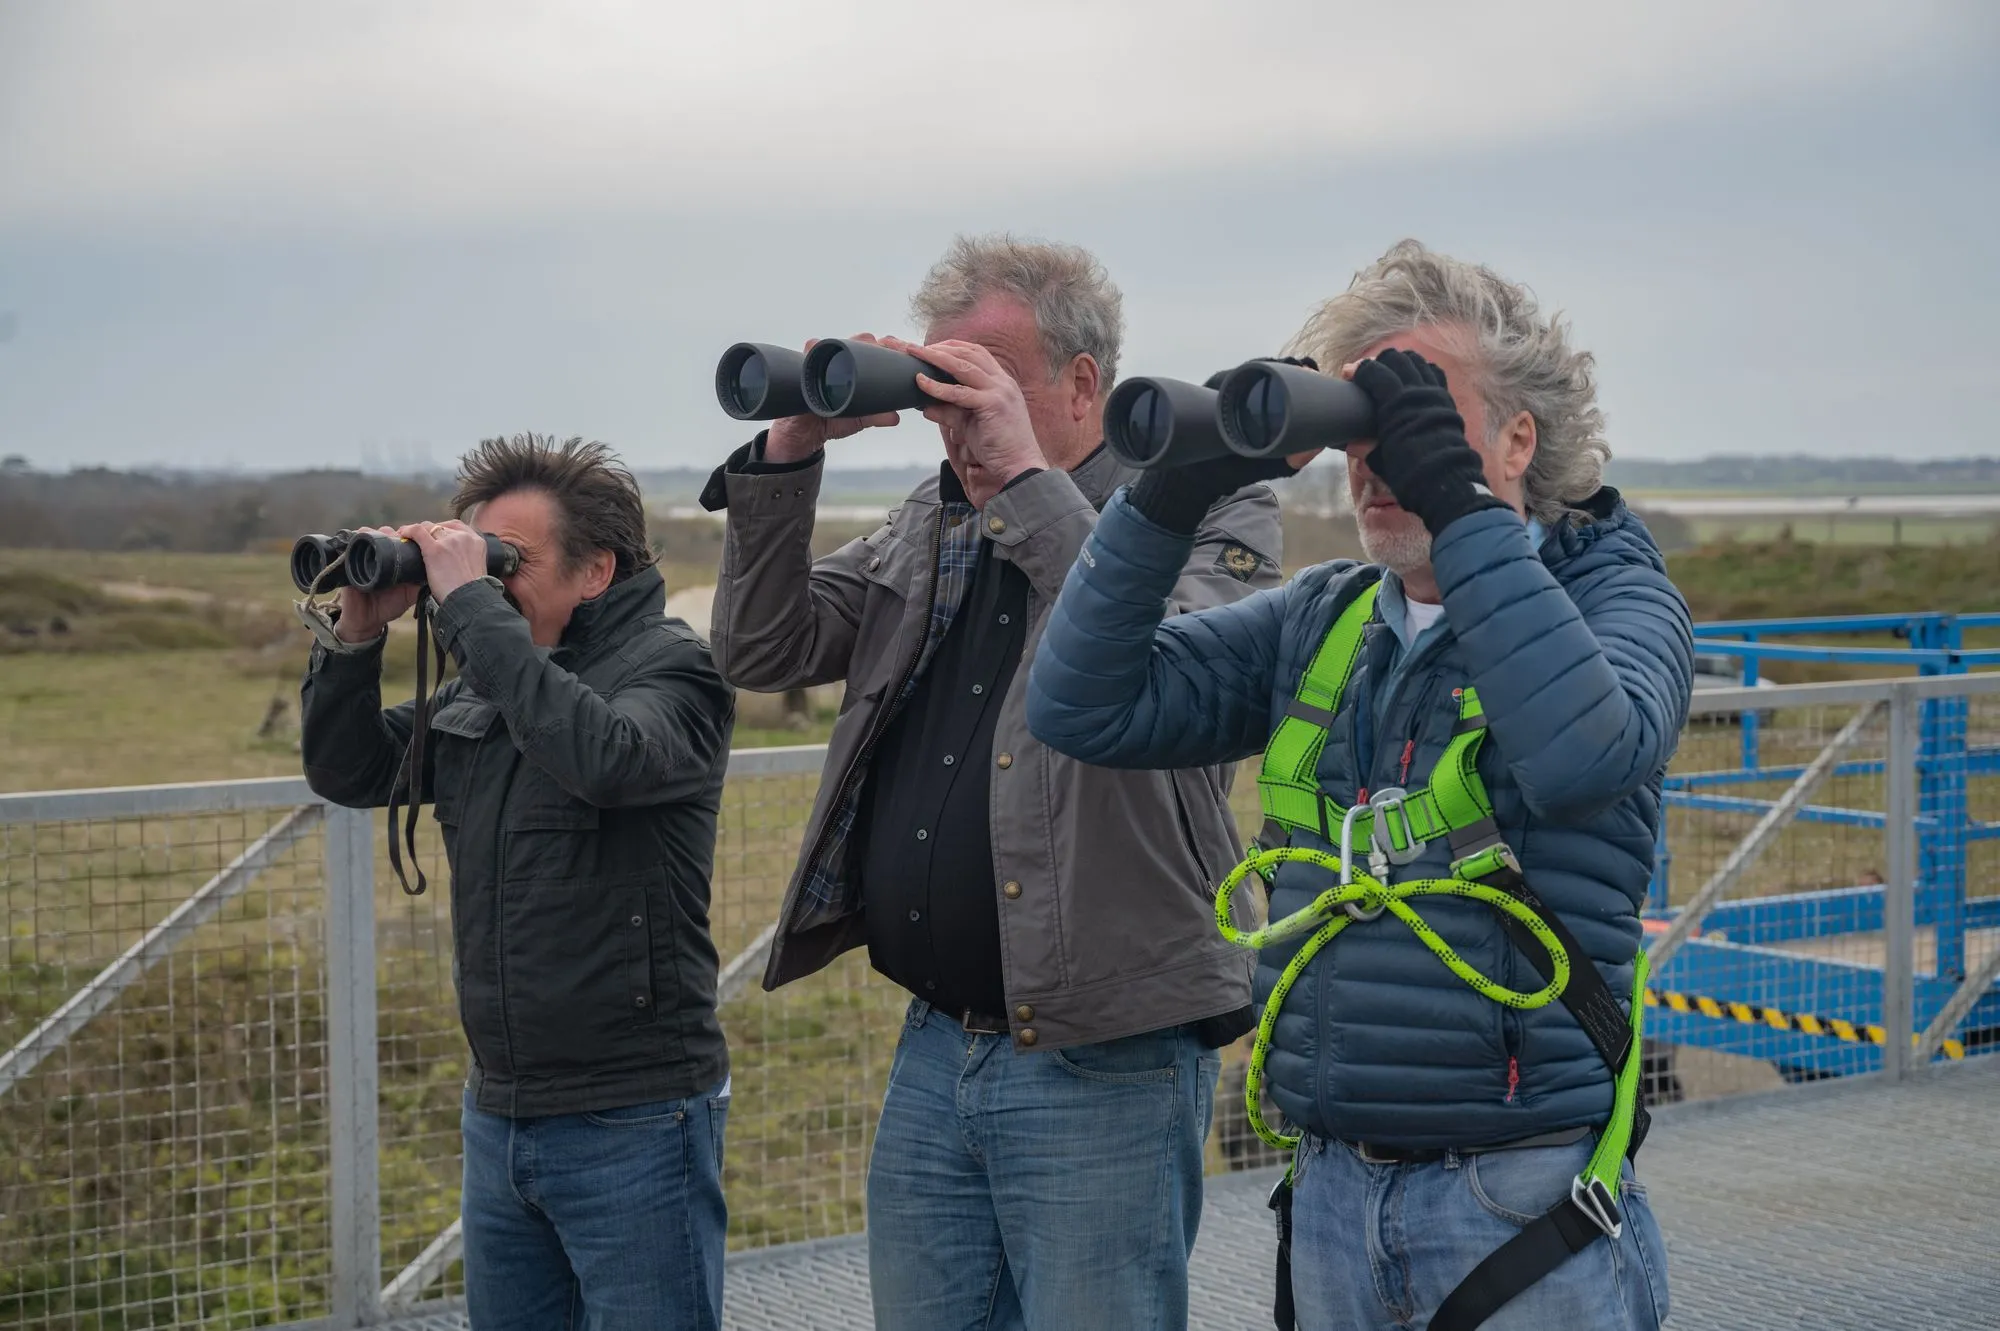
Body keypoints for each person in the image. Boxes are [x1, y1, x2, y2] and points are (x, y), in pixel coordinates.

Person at [1027, 240, 1690, 1331]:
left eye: (1417, 417)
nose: (1375, 460)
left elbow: (1582, 751)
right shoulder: (1326, 616)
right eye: (1358, 428)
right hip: (1332, 1190)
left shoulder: (1617, 595)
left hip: (1521, 1200)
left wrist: (1458, 499)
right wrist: (1163, 500)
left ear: (1517, 438)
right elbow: (1081, 705)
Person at [700, 234, 1282, 1329]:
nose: (956, 410)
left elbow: (1180, 669)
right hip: (936, 1042)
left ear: (1080, 383)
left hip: (1105, 1053)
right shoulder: (936, 520)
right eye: (941, 377)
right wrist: (791, 449)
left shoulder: (1210, 505)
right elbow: (764, 648)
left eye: (989, 381)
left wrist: (1027, 483)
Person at [299, 435, 736, 1331]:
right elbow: (349, 769)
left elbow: (604, 757)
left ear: (597, 570)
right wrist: (359, 629)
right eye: (477, 554)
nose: (488, 581)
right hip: (499, 1114)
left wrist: (469, 606)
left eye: (510, 561)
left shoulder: (672, 671)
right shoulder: (487, 689)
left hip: (636, 1118)